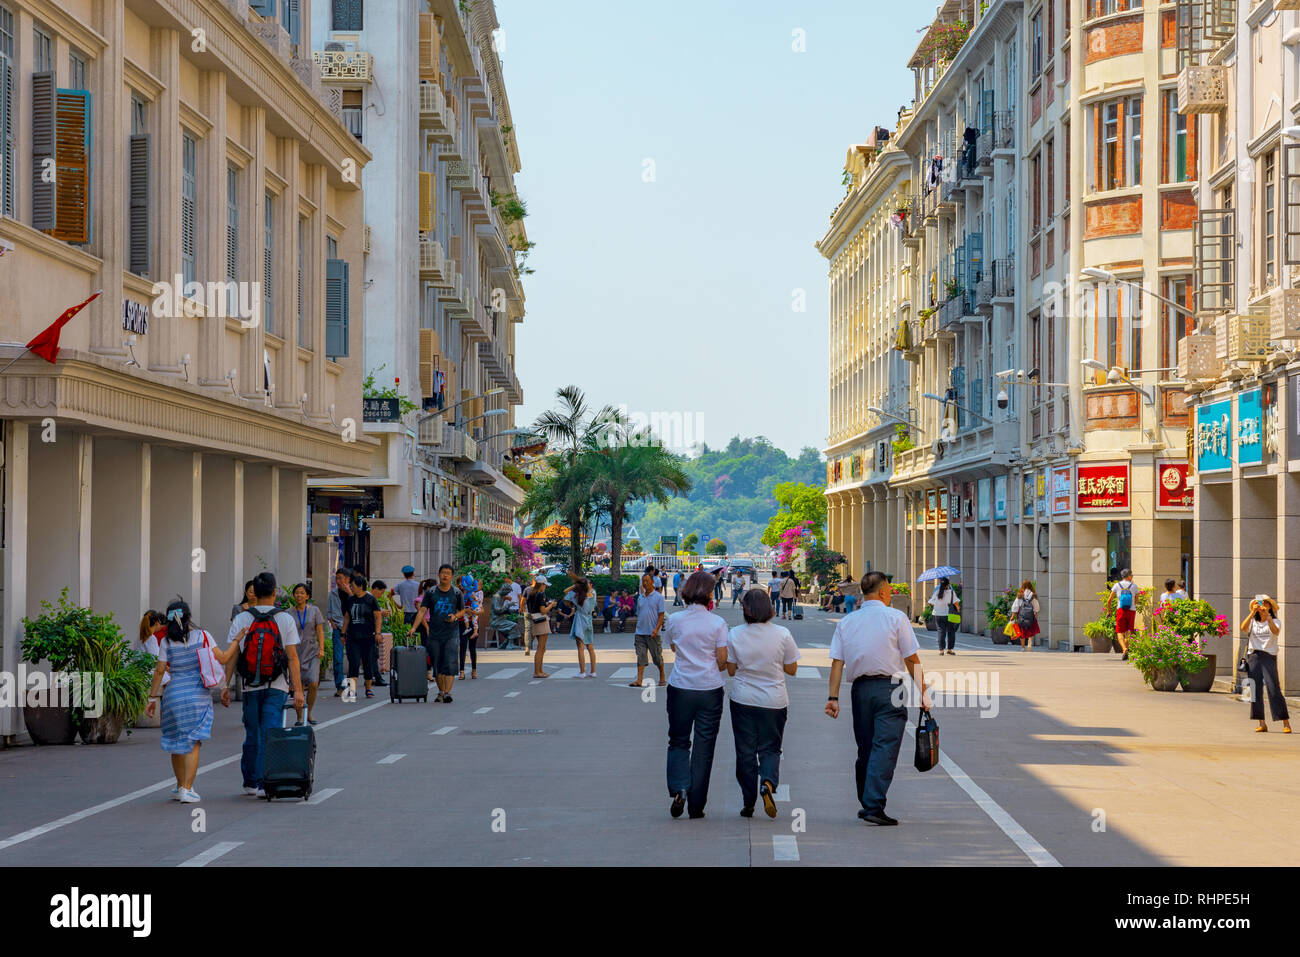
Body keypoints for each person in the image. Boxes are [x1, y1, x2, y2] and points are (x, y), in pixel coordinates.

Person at [825, 572, 929, 827]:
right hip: (890, 688)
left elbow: (837, 663)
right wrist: (923, 692)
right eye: (890, 589)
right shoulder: (896, 618)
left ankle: (867, 801)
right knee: (886, 745)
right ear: (884, 591)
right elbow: (911, 658)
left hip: (860, 691)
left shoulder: (847, 622)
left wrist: (833, 697)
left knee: (866, 747)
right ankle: (873, 804)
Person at [225, 573, 304, 797]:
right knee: (269, 731)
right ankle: (263, 782)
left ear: (254, 593)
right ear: (274, 592)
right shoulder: (285, 618)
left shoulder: (241, 619)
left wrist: (225, 685)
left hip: (250, 686)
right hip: (277, 684)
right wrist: (298, 689)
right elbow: (292, 658)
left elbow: (231, 656)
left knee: (252, 732)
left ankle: (250, 781)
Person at [727, 588, 799, 818]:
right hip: (774, 701)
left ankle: (749, 801)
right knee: (770, 748)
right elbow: (792, 668)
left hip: (743, 698)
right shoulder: (783, 634)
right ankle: (767, 783)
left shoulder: (735, 634)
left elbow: (730, 670)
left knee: (745, 751)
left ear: (746, 610)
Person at [145, 600, 225, 803]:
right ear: (188, 617)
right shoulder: (203, 635)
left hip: (172, 695)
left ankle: (180, 785)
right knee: (193, 741)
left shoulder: (166, 642)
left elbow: (160, 670)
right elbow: (221, 658)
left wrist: (152, 697)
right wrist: (237, 642)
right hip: (196, 695)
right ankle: (187, 789)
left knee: (176, 741)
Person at [664, 571, 729, 819]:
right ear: (709, 594)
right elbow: (723, 661)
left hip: (680, 687)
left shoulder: (676, 619)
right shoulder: (717, 623)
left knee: (678, 740)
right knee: (704, 746)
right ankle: (696, 805)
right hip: (710, 689)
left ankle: (680, 787)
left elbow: (672, 645)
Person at [413, 563, 471, 701]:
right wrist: (414, 627)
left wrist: (455, 616)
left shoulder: (456, 593)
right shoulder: (431, 592)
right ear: (439, 575)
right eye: (443, 573)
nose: (445, 575)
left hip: (452, 633)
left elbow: (463, 610)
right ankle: (441, 691)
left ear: (451, 577)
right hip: (435, 634)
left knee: (450, 663)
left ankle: (447, 693)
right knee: (437, 665)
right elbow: (422, 610)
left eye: (448, 573)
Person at [1240, 596, 1291, 733]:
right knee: (1254, 690)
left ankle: (1285, 723)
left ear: (1270, 606)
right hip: (1253, 655)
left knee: (1274, 688)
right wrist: (1252, 613)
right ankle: (1261, 723)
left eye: (1265, 603)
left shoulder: (1274, 621)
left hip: (1268, 656)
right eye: (1258, 603)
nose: (1262, 605)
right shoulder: (1253, 621)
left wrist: (1267, 617)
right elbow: (1243, 628)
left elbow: (1276, 632)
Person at [290, 583, 326, 725]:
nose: (299, 595)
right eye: (297, 593)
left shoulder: (314, 611)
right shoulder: (288, 613)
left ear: (307, 596)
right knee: (297, 685)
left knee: (313, 683)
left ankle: (309, 712)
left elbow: (320, 631)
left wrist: (322, 648)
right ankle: (299, 717)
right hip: (295, 651)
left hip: (312, 651)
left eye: (302, 593)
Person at [341, 573, 382, 698]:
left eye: (352, 585)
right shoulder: (350, 600)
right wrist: (343, 633)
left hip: (368, 637)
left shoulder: (370, 600)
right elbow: (347, 617)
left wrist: (378, 632)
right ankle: (352, 689)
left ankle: (368, 689)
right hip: (353, 636)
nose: (350, 587)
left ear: (360, 586)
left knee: (367, 662)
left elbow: (378, 616)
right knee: (353, 662)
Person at [631, 572, 667, 688]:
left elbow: (661, 615)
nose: (645, 583)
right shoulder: (640, 597)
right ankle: (639, 680)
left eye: (647, 581)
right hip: (640, 632)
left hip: (653, 633)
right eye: (643, 581)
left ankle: (662, 675)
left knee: (657, 657)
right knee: (640, 656)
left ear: (652, 582)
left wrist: (657, 629)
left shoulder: (658, 597)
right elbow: (639, 613)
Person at [327, 568, 352, 697]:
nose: (338, 581)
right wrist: (333, 624)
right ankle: (340, 686)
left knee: (353, 658)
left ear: (347, 579)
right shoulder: (332, 594)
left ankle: (351, 688)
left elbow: (360, 605)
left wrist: (349, 593)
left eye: (341, 578)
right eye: (336, 579)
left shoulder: (355, 593)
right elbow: (329, 612)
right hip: (338, 629)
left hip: (352, 630)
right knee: (338, 658)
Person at [524, 578, 556, 678]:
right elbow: (543, 611)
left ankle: (539, 670)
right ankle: (537, 672)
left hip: (534, 619)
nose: (545, 587)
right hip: (541, 621)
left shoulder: (531, 593)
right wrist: (551, 605)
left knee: (541, 648)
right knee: (541, 648)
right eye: (544, 585)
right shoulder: (540, 594)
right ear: (541, 584)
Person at [567, 574, 598, 677]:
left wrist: (575, 586)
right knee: (590, 646)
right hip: (589, 620)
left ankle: (582, 672)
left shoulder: (578, 596)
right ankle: (593, 671)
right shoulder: (593, 593)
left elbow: (565, 592)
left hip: (580, 620)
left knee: (580, 647)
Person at [458, 579, 484, 680]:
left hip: (473, 623)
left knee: (472, 648)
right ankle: (461, 671)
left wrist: (475, 613)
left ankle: (474, 670)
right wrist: (465, 610)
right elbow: (457, 609)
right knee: (463, 648)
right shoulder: (460, 596)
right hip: (462, 623)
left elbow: (482, 609)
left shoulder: (475, 595)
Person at [1111, 570, 1139, 660]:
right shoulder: (1134, 586)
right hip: (1131, 611)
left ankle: (1124, 649)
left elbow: (1109, 600)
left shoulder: (1117, 585)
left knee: (1119, 632)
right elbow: (1137, 601)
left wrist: (1109, 611)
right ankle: (1125, 650)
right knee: (1129, 631)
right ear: (1128, 576)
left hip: (1121, 610)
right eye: (1132, 575)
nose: (1132, 576)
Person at [930, 577, 960, 655]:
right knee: (951, 632)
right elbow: (956, 603)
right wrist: (958, 609)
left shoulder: (937, 592)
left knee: (941, 631)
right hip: (949, 615)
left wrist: (937, 604)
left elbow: (931, 602)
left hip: (938, 614)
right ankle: (949, 649)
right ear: (948, 585)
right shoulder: (951, 592)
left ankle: (941, 650)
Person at [368, 580, 389, 686]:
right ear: (376, 589)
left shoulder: (372, 599)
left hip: (372, 630)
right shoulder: (368, 598)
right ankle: (375, 677)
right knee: (371, 654)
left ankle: (374, 677)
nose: (381, 595)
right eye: (381, 592)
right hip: (369, 631)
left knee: (373, 654)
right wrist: (381, 612)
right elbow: (368, 612)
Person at [1010, 580, 1040, 652]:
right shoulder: (1033, 594)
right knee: (1030, 630)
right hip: (1031, 615)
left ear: (1022, 585)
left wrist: (1013, 615)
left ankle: (1023, 647)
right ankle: (1029, 646)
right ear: (1030, 585)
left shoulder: (1020, 594)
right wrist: (1036, 613)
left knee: (1022, 632)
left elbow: (1016, 606)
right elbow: (1036, 606)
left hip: (1021, 615)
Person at [490, 584, 520, 649]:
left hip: (500, 619)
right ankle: (510, 644)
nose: (508, 594)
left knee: (512, 625)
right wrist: (508, 605)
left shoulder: (500, 596)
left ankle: (504, 644)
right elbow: (497, 610)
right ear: (504, 590)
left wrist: (509, 611)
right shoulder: (497, 596)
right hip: (496, 620)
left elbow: (501, 610)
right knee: (514, 625)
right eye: (507, 592)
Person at [393, 565, 420, 634]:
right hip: (417, 612)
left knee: (405, 633)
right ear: (413, 573)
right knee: (416, 633)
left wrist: (398, 606)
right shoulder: (418, 585)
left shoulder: (400, 585)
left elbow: (390, 595)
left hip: (404, 613)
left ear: (404, 575)